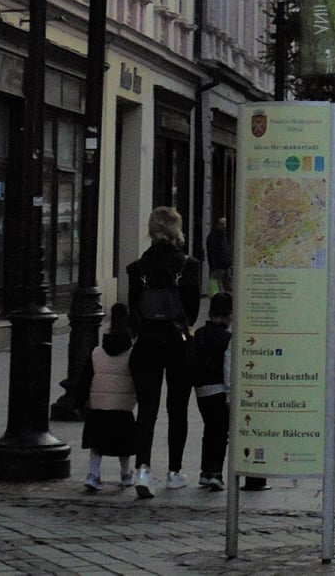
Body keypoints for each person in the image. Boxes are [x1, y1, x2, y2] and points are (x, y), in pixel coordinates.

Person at [126, 205, 203, 498]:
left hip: (146, 343)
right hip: (178, 343)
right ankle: (174, 471)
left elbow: (134, 309)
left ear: (151, 229)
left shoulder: (137, 269)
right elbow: (192, 313)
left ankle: (143, 469)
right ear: (176, 230)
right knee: (177, 409)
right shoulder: (189, 266)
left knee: (146, 410)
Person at [81, 303, 137, 492]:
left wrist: (82, 400)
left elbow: (85, 377)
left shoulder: (97, 352)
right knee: (125, 444)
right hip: (123, 407)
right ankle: (125, 474)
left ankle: (94, 474)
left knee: (97, 443)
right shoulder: (132, 354)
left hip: (99, 406)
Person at [193, 292, 233, 491]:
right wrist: (230, 392)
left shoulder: (199, 333)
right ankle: (216, 472)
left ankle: (205, 472)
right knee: (220, 433)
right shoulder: (227, 337)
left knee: (209, 430)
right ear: (229, 315)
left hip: (201, 390)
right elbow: (228, 366)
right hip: (219, 389)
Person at [204, 217, 233, 297]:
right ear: (217, 225)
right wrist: (213, 267)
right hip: (218, 267)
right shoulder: (213, 237)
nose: (224, 226)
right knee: (219, 288)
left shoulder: (223, 235)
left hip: (226, 265)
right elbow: (212, 252)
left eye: (225, 224)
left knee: (228, 286)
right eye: (222, 224)